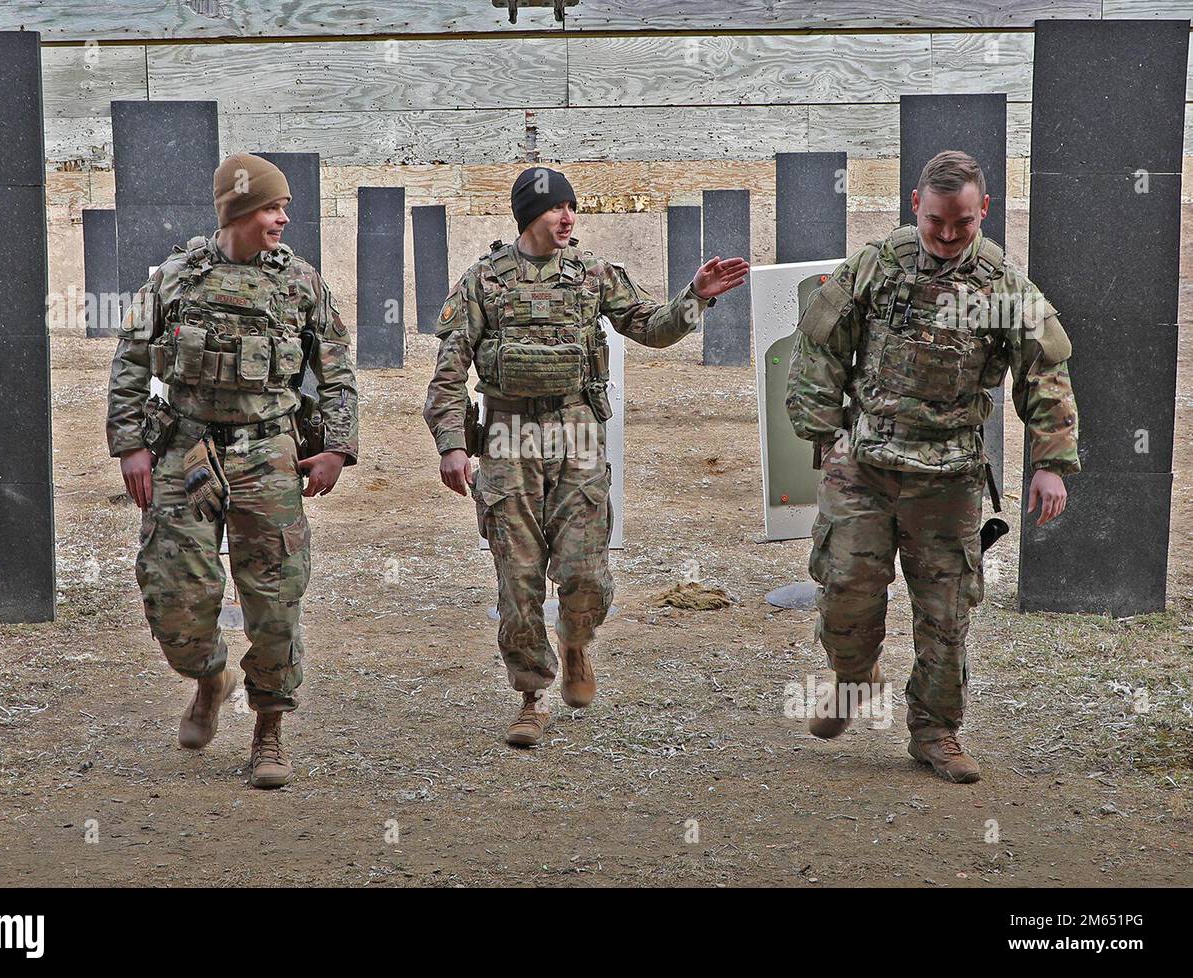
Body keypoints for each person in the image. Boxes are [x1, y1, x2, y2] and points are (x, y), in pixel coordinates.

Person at [424, 166, 750, 746]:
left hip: (577, 440)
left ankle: (576, 641)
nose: (567, 217)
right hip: (507, 443)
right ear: (530, 216)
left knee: (584, 574)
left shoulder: (593, 274)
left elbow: (649, 327)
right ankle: (530, 696)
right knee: (518, 581)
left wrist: (694, 297)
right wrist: (452, 445)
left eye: (572, 208)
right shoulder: (481, 282)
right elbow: (448, 373)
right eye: (555, 209)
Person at [786, 150, 1079, 783]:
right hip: (864, 466)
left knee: (946, 613)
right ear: (915, 205)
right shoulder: (876, 266)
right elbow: (819, 346)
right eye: (936, 223)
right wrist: (823, 435)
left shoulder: (1002, 286)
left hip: (947, 479)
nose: (948, 237)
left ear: (984, 212)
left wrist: (1050, 462)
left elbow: (1044, 370)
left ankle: (935, 733)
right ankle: (852, 679)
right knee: (846, 590)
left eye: (963, 224)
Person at [106, 153, 358, 788]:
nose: (283, 218)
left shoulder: (300, 282)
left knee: (274, 600)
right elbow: (130, 360)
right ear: (238, 211)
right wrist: (131, 445)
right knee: (173, 597)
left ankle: (269, 727)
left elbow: (336, 371)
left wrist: (336, 447)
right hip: (186, 451)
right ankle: (209, 677)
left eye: (284, 208)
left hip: (269, 453)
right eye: (273, 208)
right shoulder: (173, 279)